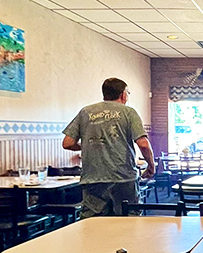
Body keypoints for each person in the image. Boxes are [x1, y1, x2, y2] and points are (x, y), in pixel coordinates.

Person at [62, 77, 155, 218]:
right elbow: (143, 144)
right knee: (128, 221)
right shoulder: (128, 112)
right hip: (123, 178)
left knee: (93, 225)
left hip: (93, 178)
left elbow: (67, 143)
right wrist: (151, 166)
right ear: (123, 94)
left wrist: (90, 144)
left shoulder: (85, 112)